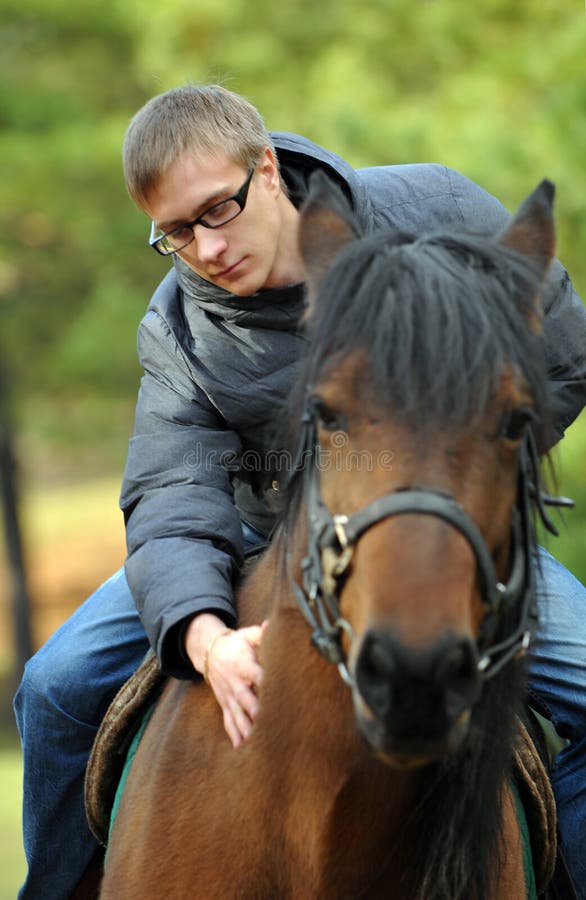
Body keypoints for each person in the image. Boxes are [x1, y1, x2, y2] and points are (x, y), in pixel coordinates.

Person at [14, 84, 586, 899]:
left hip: (441, 527)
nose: (206, 249)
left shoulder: (445, 216)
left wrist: (463, 471)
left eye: (218, 209)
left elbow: (565, 358)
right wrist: (204, 635)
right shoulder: (180, 328)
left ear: (269, 169)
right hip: (255, 534)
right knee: (54, 687)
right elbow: (174, 490)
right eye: (175, 231)